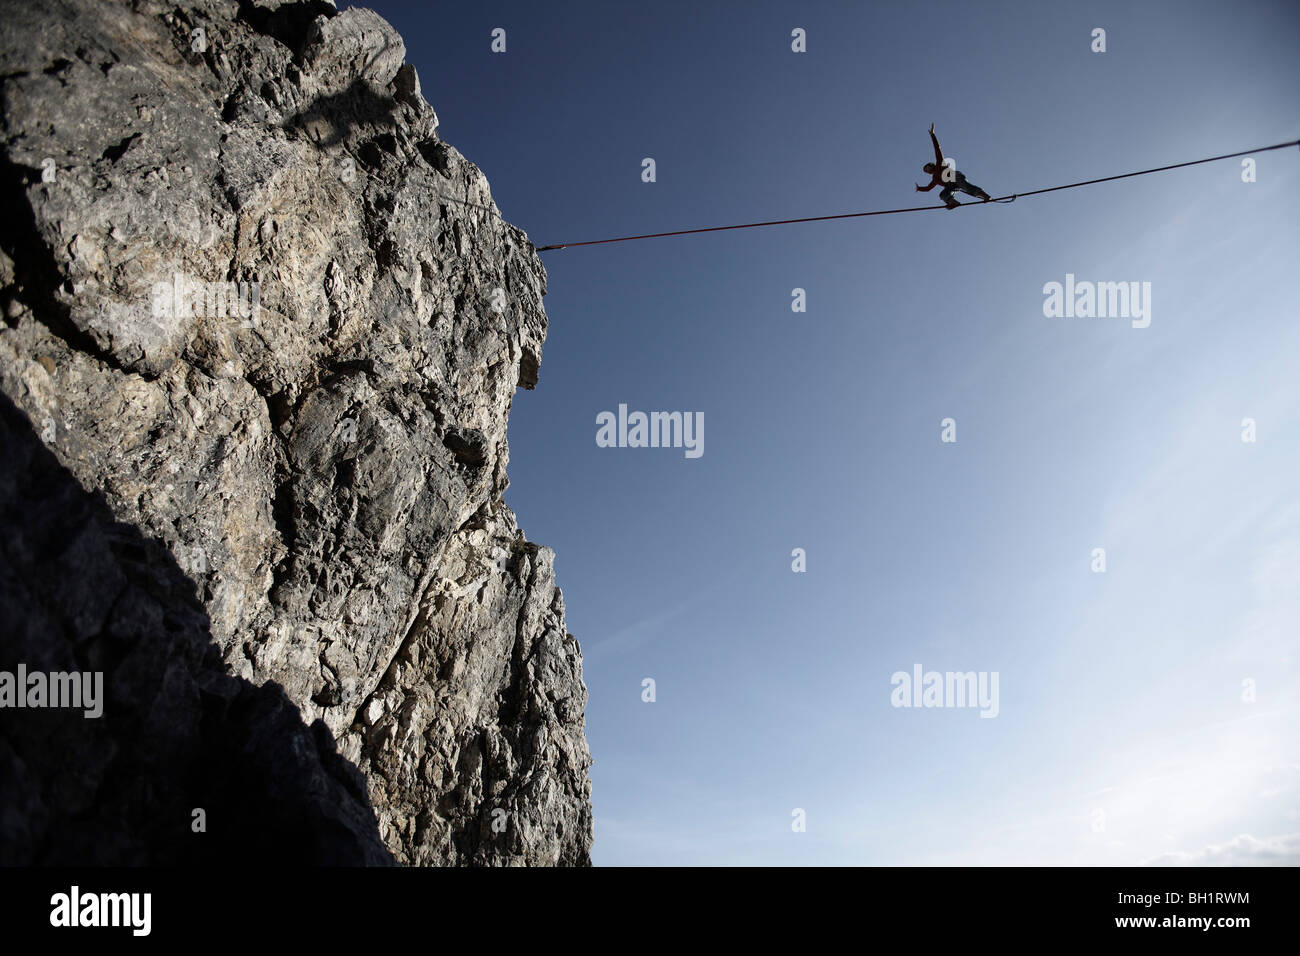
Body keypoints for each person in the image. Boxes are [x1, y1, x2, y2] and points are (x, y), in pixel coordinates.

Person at [916, 124, 992, 209]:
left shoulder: (939, 164)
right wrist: (919, 188)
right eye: (926, 171)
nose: (927, 170)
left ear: (931, 165)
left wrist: (933, 135)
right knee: (943, 194)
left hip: (955, 177)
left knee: (967, 187)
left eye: (927, 168)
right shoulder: (935, 179)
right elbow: (928, 188)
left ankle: (985, 195)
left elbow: (937, 149)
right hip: (951, 186)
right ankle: (953, 202)